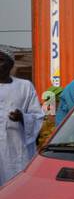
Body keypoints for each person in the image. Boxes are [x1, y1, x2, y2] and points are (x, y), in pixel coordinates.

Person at [0, 50, 42, 185]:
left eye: (0, 60)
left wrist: (22, 117)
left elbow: (37, 116)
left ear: (10, 64)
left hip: (16, 146)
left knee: (14, 186)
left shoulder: (25, 86)